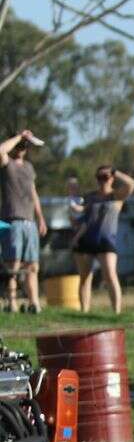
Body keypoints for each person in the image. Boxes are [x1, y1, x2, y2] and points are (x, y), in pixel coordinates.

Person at [77, 165, 134, 314]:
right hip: (88, 240)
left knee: (110, 274)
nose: (102, 181)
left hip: (106, 240)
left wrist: (115, 171)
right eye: (99, 177)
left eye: (105, 177)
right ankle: (84, 311)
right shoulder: (90, 197)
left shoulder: (116, 196)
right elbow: (81, 214)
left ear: (112, 178)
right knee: (85, 277)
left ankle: (116, 312)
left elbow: (131, 184)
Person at [0, 130, 47, 314]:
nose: (21, 149)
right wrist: (20, 137)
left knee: (32, 265)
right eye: (19, 145)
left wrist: (40, 218)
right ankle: (11, 303)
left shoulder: (29, 167)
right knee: (13, 264)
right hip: (12, 221)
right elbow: (1, 150)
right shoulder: (6, 164)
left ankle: (34, 303)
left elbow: (34, 194)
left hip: (30, 222)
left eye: (24, 146)